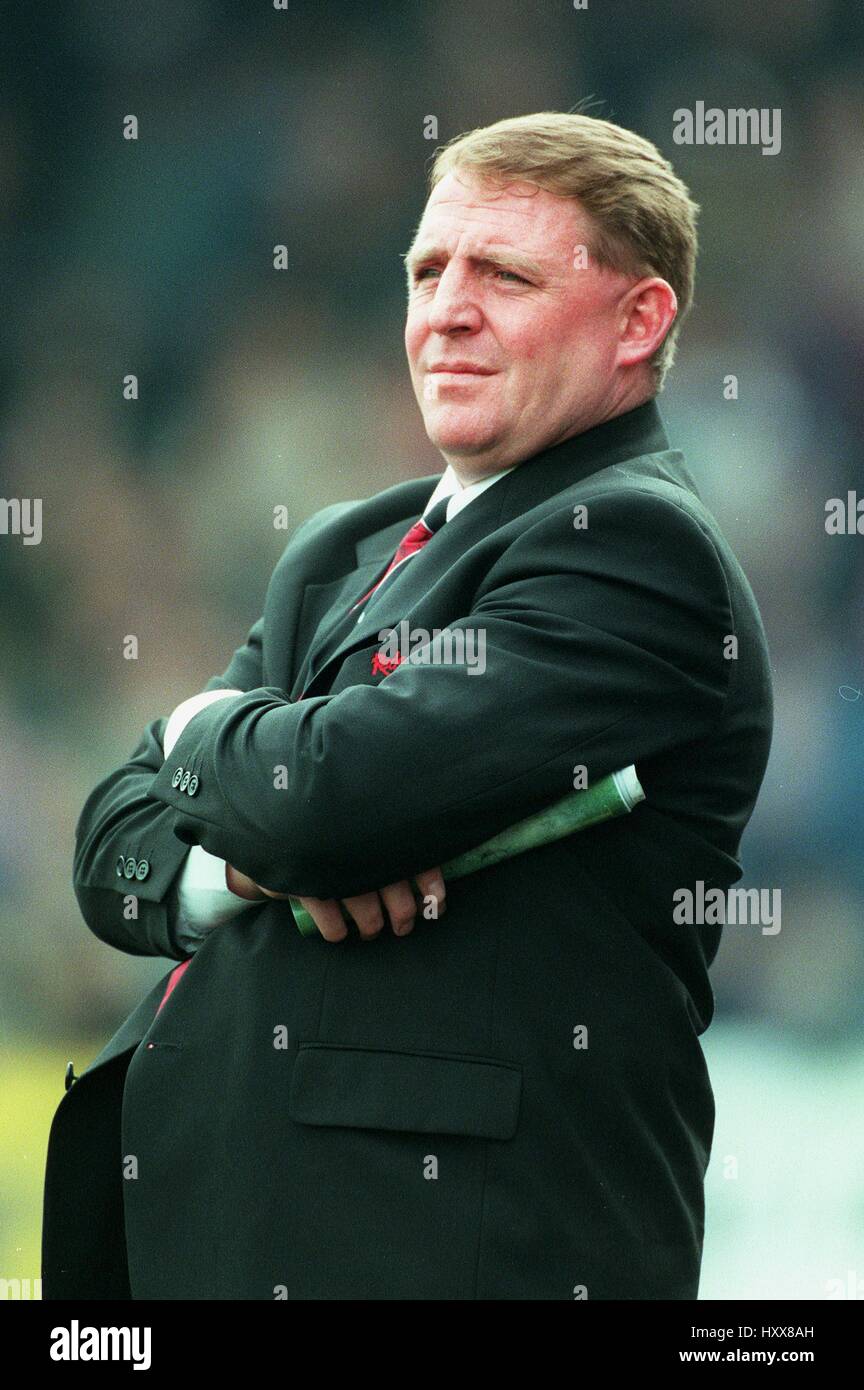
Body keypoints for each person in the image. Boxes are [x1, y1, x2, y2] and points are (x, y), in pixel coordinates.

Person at [43, 111, 773, 1300]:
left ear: (639, 321)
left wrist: (190, 735)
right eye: (429, 270)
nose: (447, 309)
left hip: (445, 1257)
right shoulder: (345, 544)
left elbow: (321, 797)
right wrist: (244, 865)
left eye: (505, 274)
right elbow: (110, 846)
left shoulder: (638, 549)